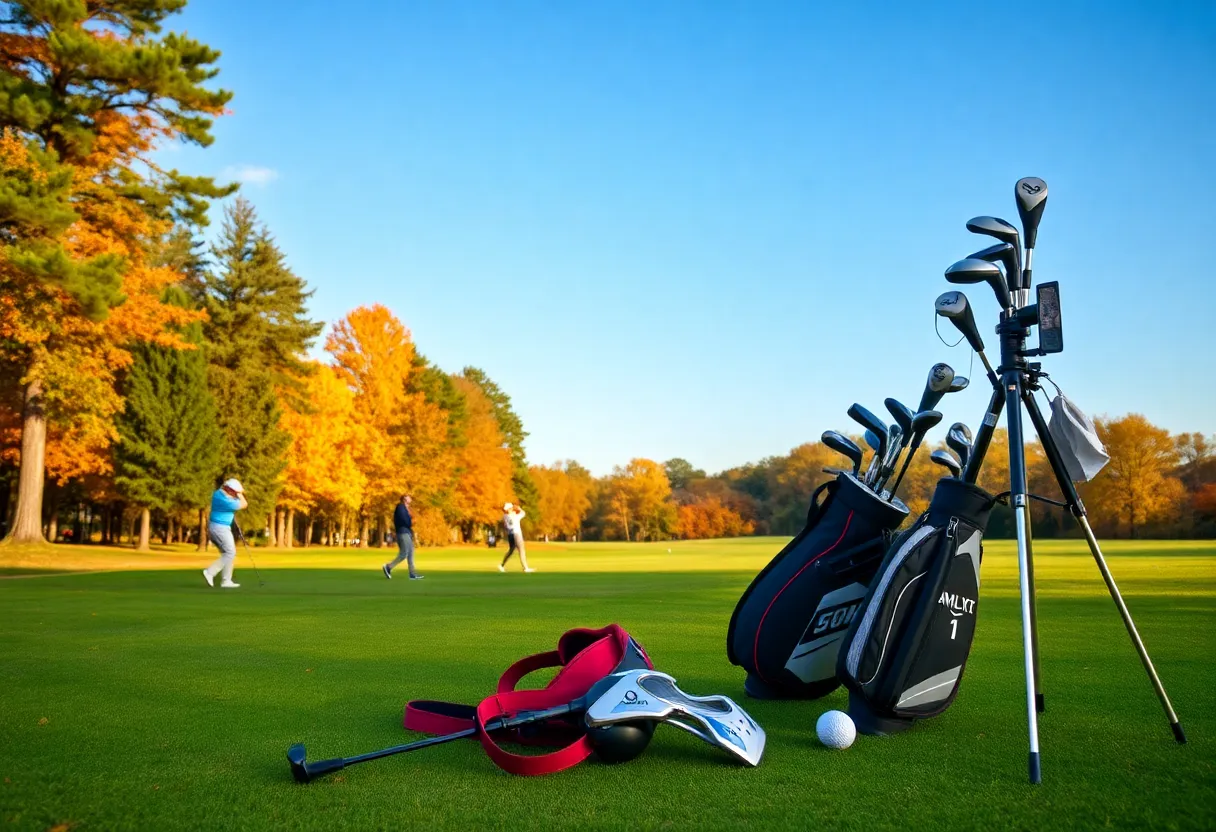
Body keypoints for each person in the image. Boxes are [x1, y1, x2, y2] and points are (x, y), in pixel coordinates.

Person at [202, 478, 248, 589]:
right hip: (220, 529)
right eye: (235, 491)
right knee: (230, 553)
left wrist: (235, 494)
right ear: (228, 489)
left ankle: (226, 581)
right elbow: (244, 504)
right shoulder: (225, 501)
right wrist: (240, 495)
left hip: (218, 528)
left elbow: (232, 498)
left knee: (227, 554)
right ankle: (210, 572)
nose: (236, 493)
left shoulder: (218, 494)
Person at [383, 494, 423, 580]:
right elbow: (404, 521)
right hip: (403, 532)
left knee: (411, 552)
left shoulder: (406, 508)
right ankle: (388, 567)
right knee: (404, 553)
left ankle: (412, 574)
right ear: (404, 499)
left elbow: (408, 520)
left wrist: (411, 520)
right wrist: (411, 521)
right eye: (409, 497)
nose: (411, 498)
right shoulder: (400, 507)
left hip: (407, 532)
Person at [498, 502, 534, 573]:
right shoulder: (514, 516)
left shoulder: (505, 516)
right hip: (516, 533)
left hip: (510, 534)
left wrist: (514, 509)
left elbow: (505, 523)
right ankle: (525, 568)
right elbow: (523, 513)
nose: (507, 510)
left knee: (511, 550)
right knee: (521, 550)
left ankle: (502, 565)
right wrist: (518, 508)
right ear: (511, 508)